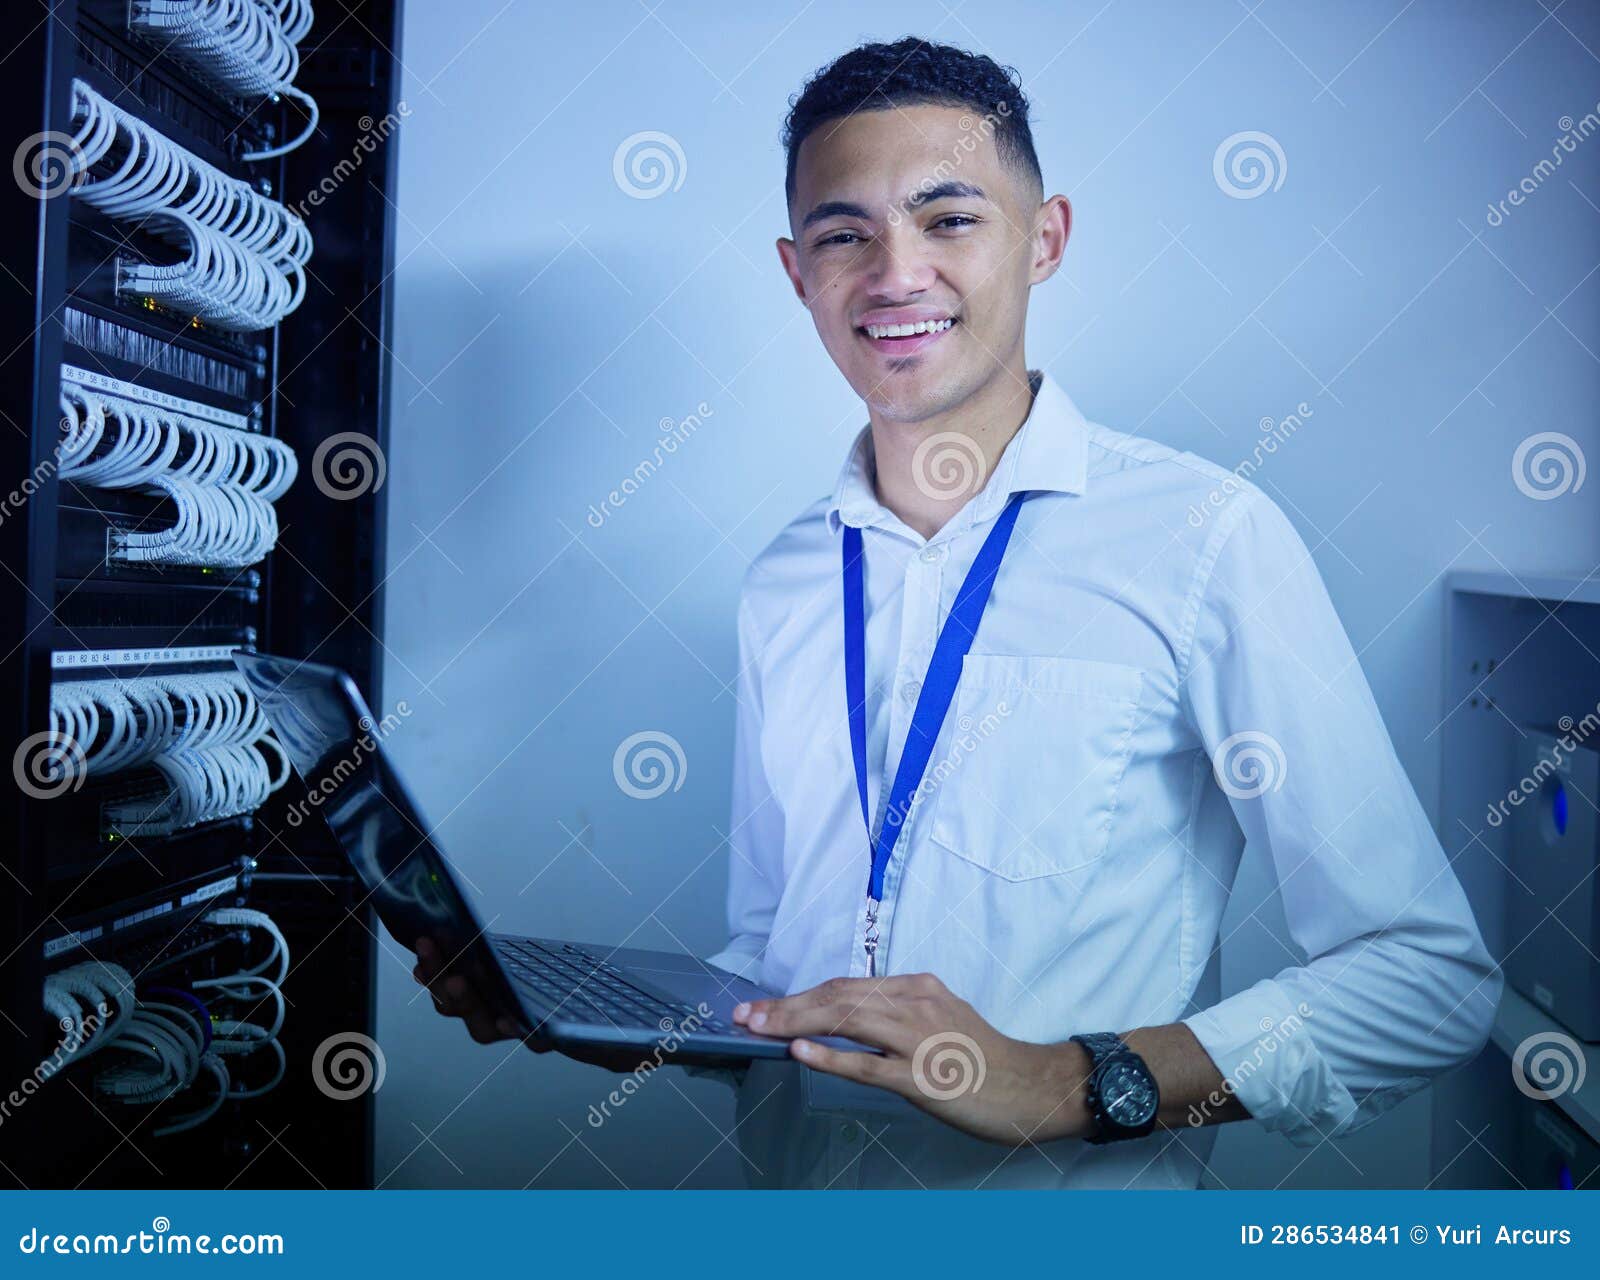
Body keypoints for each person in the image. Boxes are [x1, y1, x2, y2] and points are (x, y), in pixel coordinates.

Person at [414, 36, 1500, 1189]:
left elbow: (1426, 977)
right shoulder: (786, 576)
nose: (894, 274)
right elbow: (775, 957)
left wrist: (1065, 1077)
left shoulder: (1204, 538)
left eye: (948, 219)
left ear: (1044, 241)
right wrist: (591, 1008)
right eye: (845, 234)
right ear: (797, 273)